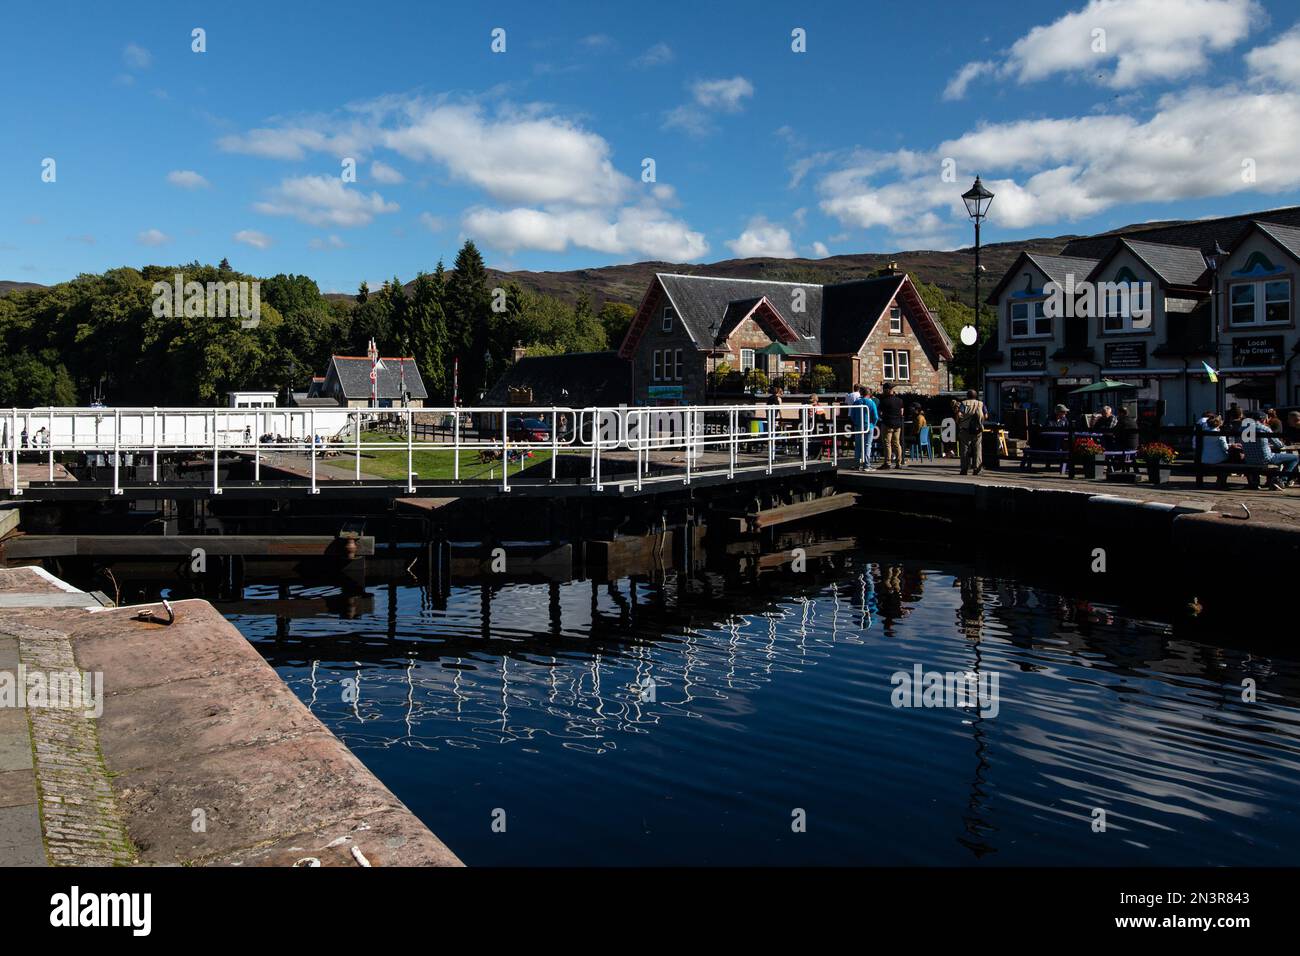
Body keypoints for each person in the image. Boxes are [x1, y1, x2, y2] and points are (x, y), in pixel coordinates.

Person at [1242, 411, 1297, 488]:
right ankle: (1281, 480)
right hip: (1265, 459)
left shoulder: (1242, 428)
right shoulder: (1264, 428)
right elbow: (1278, 445)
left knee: (1262, 457)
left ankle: (1258, 481)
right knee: (1295, 458)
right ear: (1263, 420)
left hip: (1249, 459)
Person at [956, 389, 986, 475]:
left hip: (965, 429)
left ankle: (964, 469)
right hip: (977, 429)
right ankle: (977, 469)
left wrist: (959, 422)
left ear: (967, 395)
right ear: (976, 396)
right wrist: (980, 422)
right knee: (977, 448)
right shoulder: (981, 404)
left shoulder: (964, 403)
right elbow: (986, 415)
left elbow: (959, 414)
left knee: (964, 449)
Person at [878, 382, 905, 469]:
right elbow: (901, 413)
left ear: (886, 390)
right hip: (898, 424)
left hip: (887, 424)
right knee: (897, 443)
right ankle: (899, 463)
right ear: (891, 391)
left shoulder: (883, 401)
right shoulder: (900, 400)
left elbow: (880, 413)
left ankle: (887, 463)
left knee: (887, 443)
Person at [852, 385, 876, 469]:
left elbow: (852, 415)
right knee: (867, 445)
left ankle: (856, 464)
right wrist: (873, 424)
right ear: (869, 394)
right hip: (868, 426)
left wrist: (856, 423)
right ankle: (867, 465)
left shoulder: (856, 402)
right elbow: (875, 416)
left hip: (858, 426)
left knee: (858, 445)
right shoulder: (871, 402)